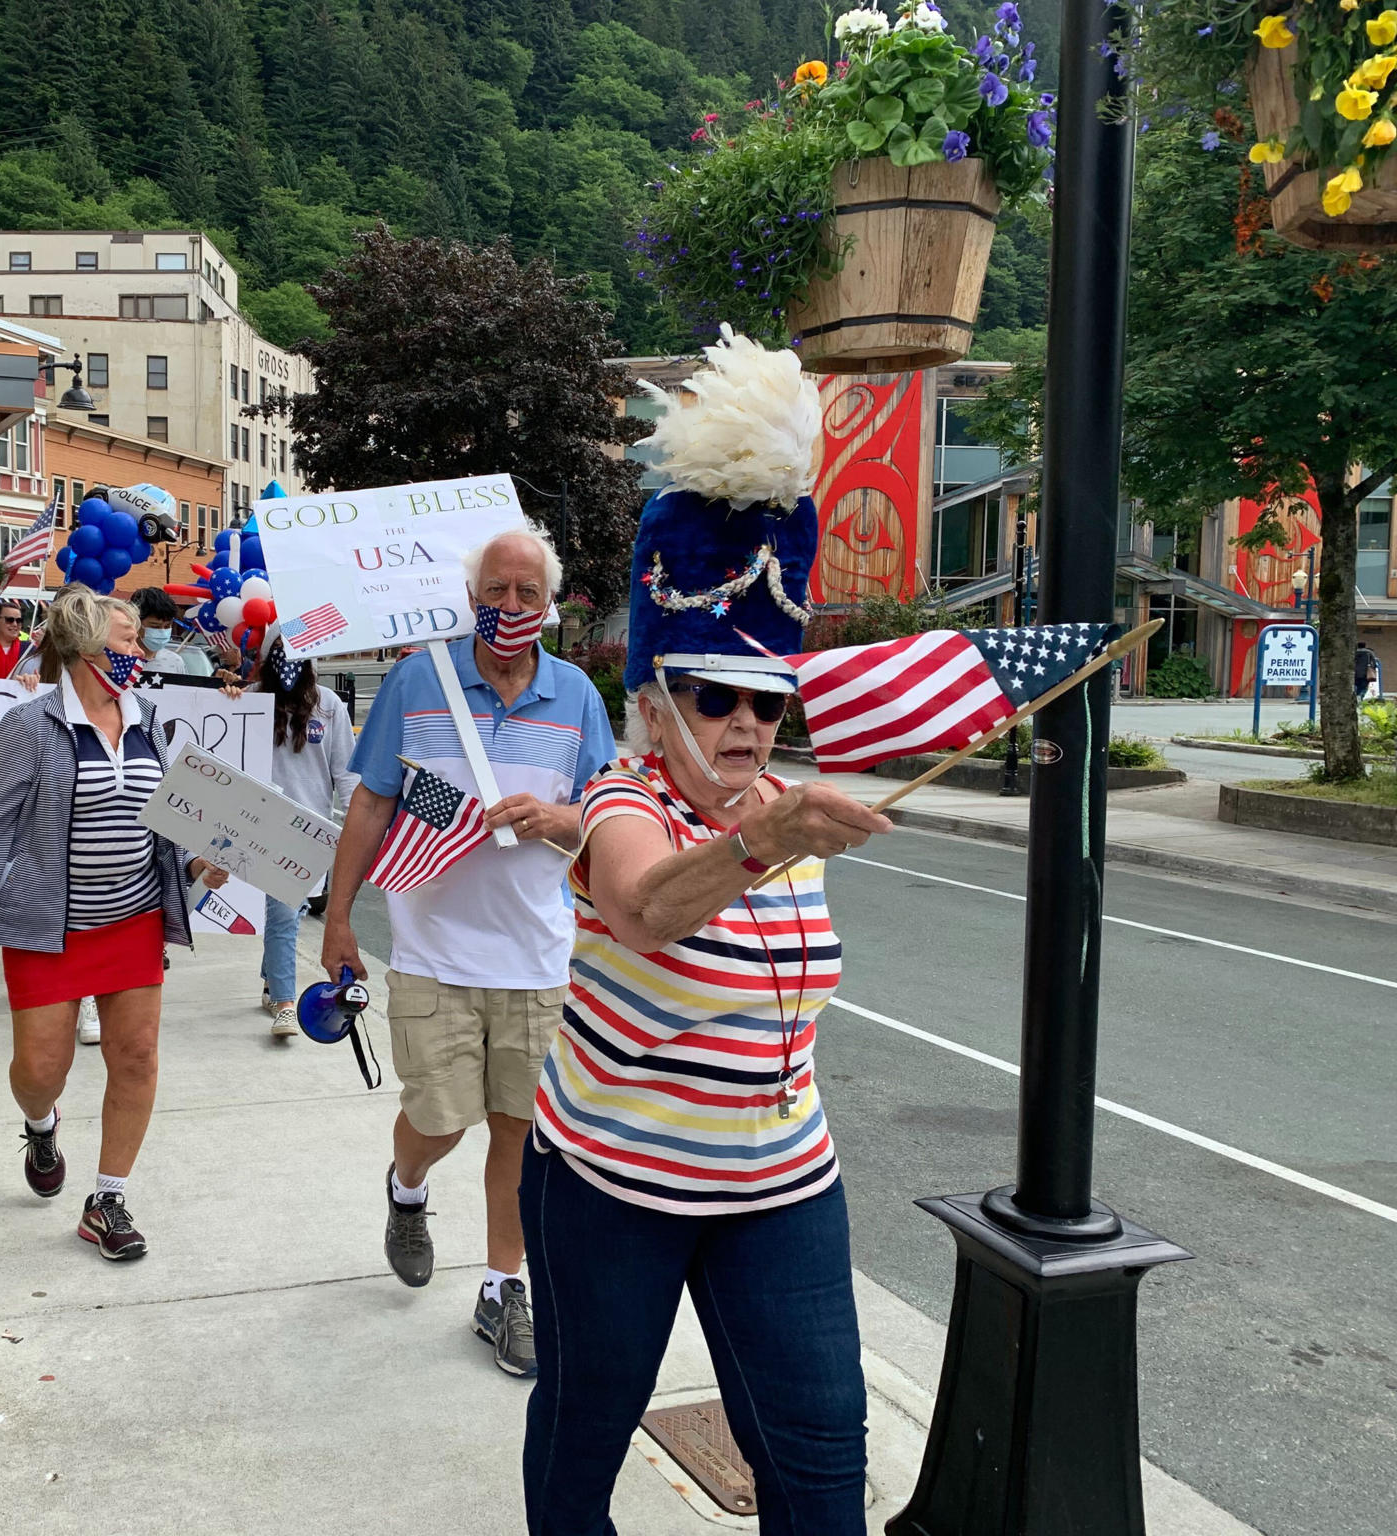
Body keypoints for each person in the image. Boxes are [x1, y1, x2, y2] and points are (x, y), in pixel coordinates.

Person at [523, 325, 888, 1534]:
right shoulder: (629, 801)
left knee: (824, 1465)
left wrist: (776, 828)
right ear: (654, 697)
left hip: (780, 1181)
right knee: (584, 1435)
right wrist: (764, 841)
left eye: (767, 700)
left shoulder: (784, 806)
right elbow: (638, 906)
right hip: (613, 1183)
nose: (744, 723)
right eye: (713, 696)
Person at [320, 526, 617, 1378]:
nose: (511, 608)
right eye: (496, 592)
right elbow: (373, 805)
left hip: (536, 957)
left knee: (520, 1137)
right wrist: (339, 922)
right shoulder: (420, 679)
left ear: (548, 601)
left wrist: (559, 819)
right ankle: (405, 1188)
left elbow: (603, 814)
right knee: (441, 1121)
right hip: (431, 950)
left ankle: (500, 1289)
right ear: (473, 595)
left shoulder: (576, 698)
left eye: (527, 594)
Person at [0, 586, 229, 1261]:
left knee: (137, 1058)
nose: (140, 652)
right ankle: (41, 1123)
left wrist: (196, 868)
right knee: (41, 1069)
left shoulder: (150, 720)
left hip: (133, 919)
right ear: (85, 649)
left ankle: (107, 1200)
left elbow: (167, 825)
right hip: (48, 925)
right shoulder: (31, 726)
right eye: (127, 641)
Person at [255, 636, 358, 1038]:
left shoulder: (328, 706)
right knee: (283, 914)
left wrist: (351, 822)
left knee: (287, 912)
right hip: (259, 822)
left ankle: (271, 982)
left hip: (310, 830)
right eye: (279, 653)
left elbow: (346, 770)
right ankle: (283, 1000)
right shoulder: (252, 699)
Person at [130, 587, 214, 678]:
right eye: (155, 626)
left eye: (167, 626)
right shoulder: (119, 660)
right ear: (136, 622)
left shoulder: (175, 661)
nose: (162, 631)